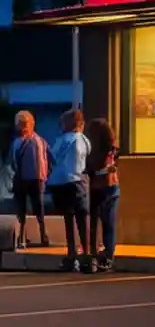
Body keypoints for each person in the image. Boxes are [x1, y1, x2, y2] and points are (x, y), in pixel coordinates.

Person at [48, 109, 92, 272]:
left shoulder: (62, 140)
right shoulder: (84, 140)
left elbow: (52, 156)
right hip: (78, 181)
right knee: (83, 217)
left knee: (68, 217)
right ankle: (86, 253)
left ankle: (71, 252)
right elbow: (87, 155)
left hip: (61, 183)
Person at [7, 111, 50, 248]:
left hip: (36, 179)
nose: (22, 127)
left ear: (32, 124)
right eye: (20, 124)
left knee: (38, 208)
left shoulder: (39, 141)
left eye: (24, 124)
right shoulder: (18, 142)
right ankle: (22, 237)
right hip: (24, 179)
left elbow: (50, 158)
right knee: (22, 210)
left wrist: (45, 173)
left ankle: (43, 235)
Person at [85, 118, 120, 272]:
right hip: (113, 185)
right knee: (109, 223)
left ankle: (93, 254)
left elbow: (92, 167)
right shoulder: (112, 149)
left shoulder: (94, 152)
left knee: (93, 223)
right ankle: (108, 256)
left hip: (96, 187)